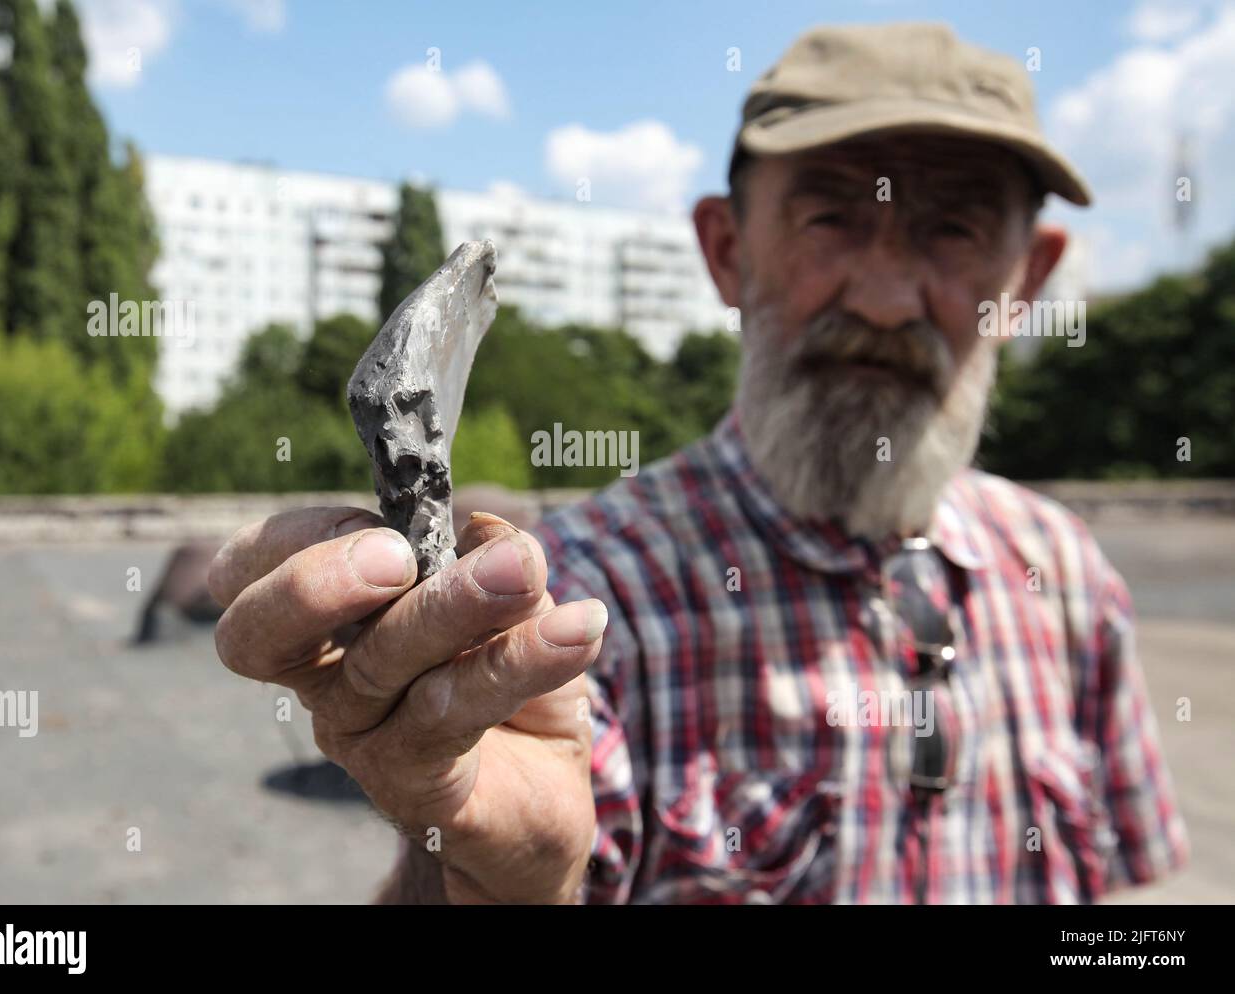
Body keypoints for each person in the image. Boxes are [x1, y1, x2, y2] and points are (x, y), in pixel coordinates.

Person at [208, 22, 1188, 903]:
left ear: (1028, 278)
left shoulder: (1065, 575)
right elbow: (517, 832)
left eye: (956, 230)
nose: (886, 298)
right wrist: (484, 865)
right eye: (830, 218)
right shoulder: (575, 604)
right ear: (726, 250)